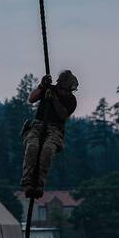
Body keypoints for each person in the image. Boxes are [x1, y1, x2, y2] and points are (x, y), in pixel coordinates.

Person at [20, 70, 79, 199]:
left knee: (47, 151)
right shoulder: (49, 88)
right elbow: (32, 99)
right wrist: (42, 86)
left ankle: (39, 184)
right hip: (37, 125)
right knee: (32, 147)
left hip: (55, 130)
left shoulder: (71, 100)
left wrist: (54, 99)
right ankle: (28, 183)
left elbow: (63, 116)